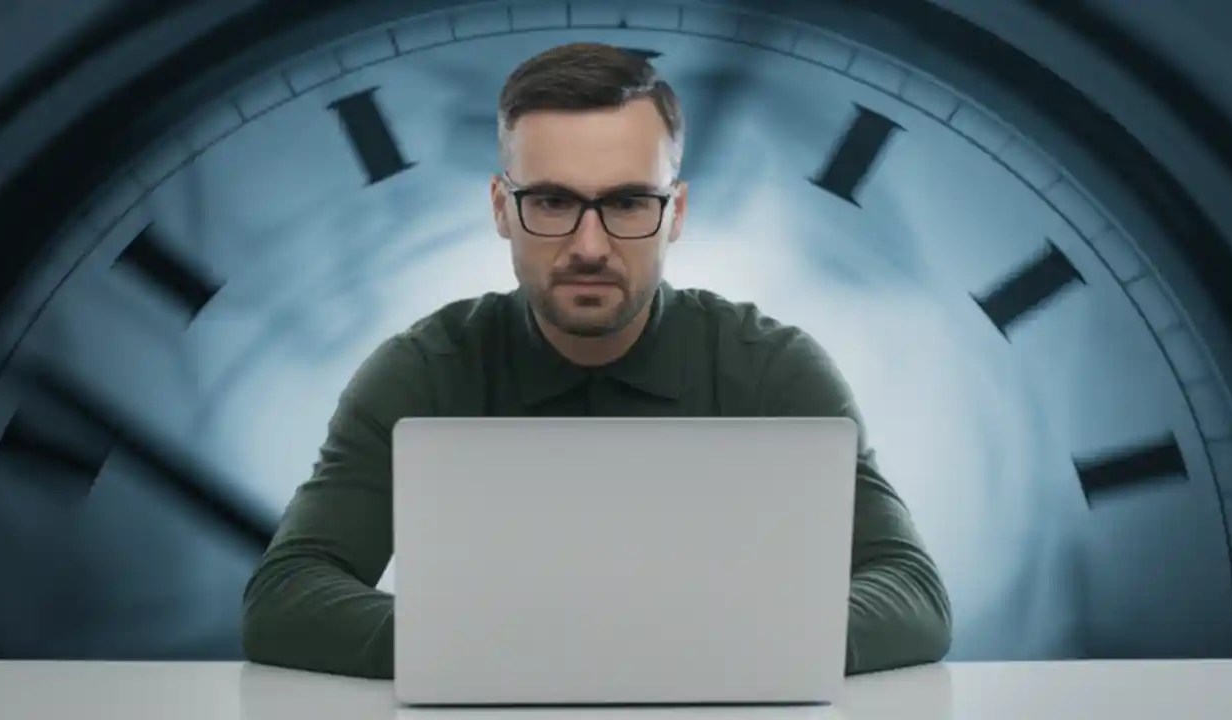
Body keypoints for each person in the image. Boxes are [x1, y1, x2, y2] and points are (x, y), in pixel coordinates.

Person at [241, 41, 952, 679]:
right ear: (499, 208)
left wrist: (720, 645)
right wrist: (482, 647)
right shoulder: (422, 370)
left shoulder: (772, 367)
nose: (588, 245)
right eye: (551, 201)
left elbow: (911, 592)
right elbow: (287, 594)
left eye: (628, 202)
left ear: (675, 213)